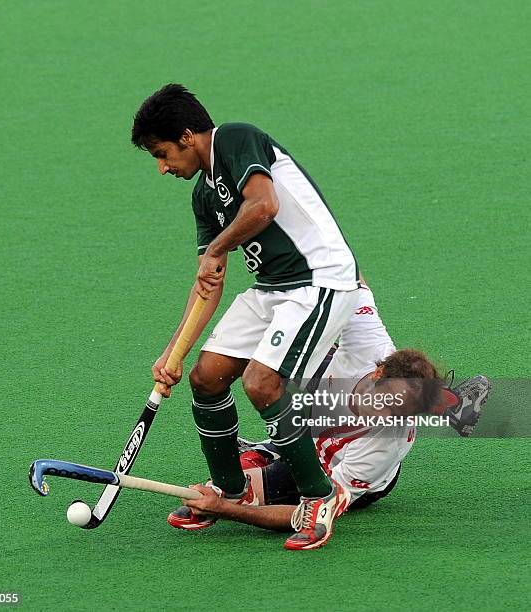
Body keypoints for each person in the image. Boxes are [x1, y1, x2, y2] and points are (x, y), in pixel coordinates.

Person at [132, 83, 362, 550]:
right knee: (206, 377)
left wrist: (218, 247)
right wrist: (173, 353)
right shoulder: (203, 198)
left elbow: (264, 205)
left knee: (262, 382)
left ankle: (318, 498)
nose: (162, 168)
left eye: (162, 154)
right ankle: (231, 489)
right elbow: (208, 283)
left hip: (320, 280)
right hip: (271, 290)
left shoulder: (236, 139)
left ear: (187, 135)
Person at [178, 284, 491, 544]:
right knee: (292, 352)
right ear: (378, 370)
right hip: (320, 418)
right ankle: (268, 450)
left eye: (397, 413)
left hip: (344, 467)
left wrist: (223, 508)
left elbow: (313, 510)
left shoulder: (387, 442)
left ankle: (264, 456)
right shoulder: (370, 343)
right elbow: (353, 282)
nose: (384, 416)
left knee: (244, 491)